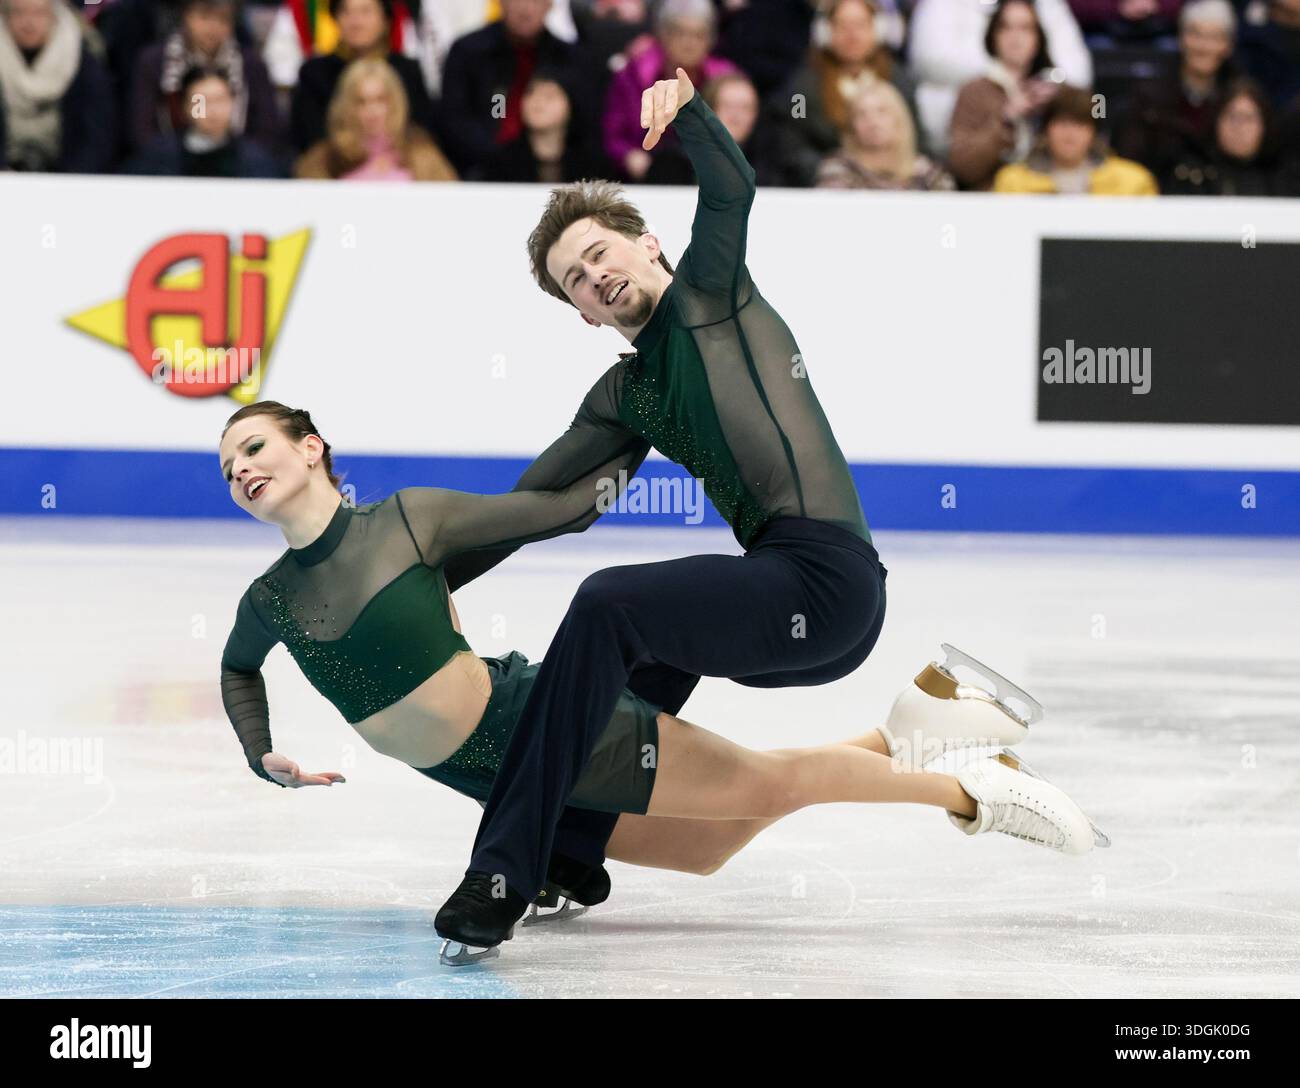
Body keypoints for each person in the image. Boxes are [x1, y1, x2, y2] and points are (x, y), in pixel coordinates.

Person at [428, 64, 1029, 959]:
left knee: (606, 604)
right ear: (581, 316)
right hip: (782, 599)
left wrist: (687, 114)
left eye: (601, 254)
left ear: (647, 243)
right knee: (625, 699)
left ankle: (501, 873)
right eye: (575, 282)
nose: (595, 277)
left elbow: (733, 184)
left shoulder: (714, 293)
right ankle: (567, 851)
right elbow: (539, 502)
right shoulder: (623, 395)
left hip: (825, 582)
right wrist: (423, 574)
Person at [219, 401, 1099, 962]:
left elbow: (553, 512)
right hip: (488, 781)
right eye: (228, 469)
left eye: (254, 446)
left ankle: (968, 791)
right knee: (712, 845)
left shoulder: (408, 520)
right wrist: (262, 753)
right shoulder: (272, 598)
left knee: (768, 784)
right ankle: (910, 728)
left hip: (543, 724)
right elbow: (237, 669)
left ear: (311, 446)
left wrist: (635, 425)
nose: (243, 470)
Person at [769, 0, 921, 187]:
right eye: (842, 26)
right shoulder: (800, 91)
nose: (852, 35)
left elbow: (915, 135)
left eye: (860, 25)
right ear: (825, 31)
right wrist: (829, 169)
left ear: (877, 29)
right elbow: (792, 142)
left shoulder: (899, 81)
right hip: (828, 183)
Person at [127, 0, 283, 156]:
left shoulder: (251, 64)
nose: (213, 27)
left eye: (223, 19)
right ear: (186, 17)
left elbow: (268, 128)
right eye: (204, 17)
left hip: (238, 165)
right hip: (169, 163)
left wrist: (245, 159)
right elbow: (142, 128)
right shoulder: (155, 61)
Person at [289, 0, 435, 154]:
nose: (356, 22)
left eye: (365, 12)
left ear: (386, 20)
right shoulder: (315, 73)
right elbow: (309, 136)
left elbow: (422, 130)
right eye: (346, 12)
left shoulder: (408, 71)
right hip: (335, 165)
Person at [948, 0, 1062, 191]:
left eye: (1025, 28)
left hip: (1049, 198)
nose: (1015, 37)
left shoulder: (1055, 91)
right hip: (991, 201)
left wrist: (1059, 111)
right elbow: (963, 167)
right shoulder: (973, 92)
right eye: (1005, 27)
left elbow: (1097, 109)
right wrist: (1006, 119)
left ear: (1038, 38)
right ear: (993, 36)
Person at [295, 55, 455, 179]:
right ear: (346, 106)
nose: (372, 111)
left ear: (395, 102)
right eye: (361, 102)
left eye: (380, 100)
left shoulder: (423, 156)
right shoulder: (324, 160)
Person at [0, 0, 115, 172]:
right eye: (19, 13)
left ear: (54, 16)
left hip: (69, 179)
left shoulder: (82, 62)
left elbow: (98, 137)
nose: (28, 22)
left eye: (38, 13)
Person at [993, 82, 1158, 192]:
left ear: (1094, 132)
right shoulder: (1012, 182)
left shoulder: (1132, 182)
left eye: (1080, 124)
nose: (1070, 134)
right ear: (1045, 129)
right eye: (1062, 123)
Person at [124, 64, 284, 177]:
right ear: (185, 107)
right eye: (201, 102)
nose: (212, 110)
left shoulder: (255, 160)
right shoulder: (157, 157)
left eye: (220, 100)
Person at [1163, 76, 1297, 195]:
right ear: (1216, 121)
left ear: (1264, 126)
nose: (1239, 127)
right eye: (1231, 117)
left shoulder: (1286, 179)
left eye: (1248, 118)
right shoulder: (1191, 175)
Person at [816, 78, 956, 189]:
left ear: (899, 119)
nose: (872, 122)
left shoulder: (929, 175)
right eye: (861, 114)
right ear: (852, 126)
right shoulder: (837, 169)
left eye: (882, 112)